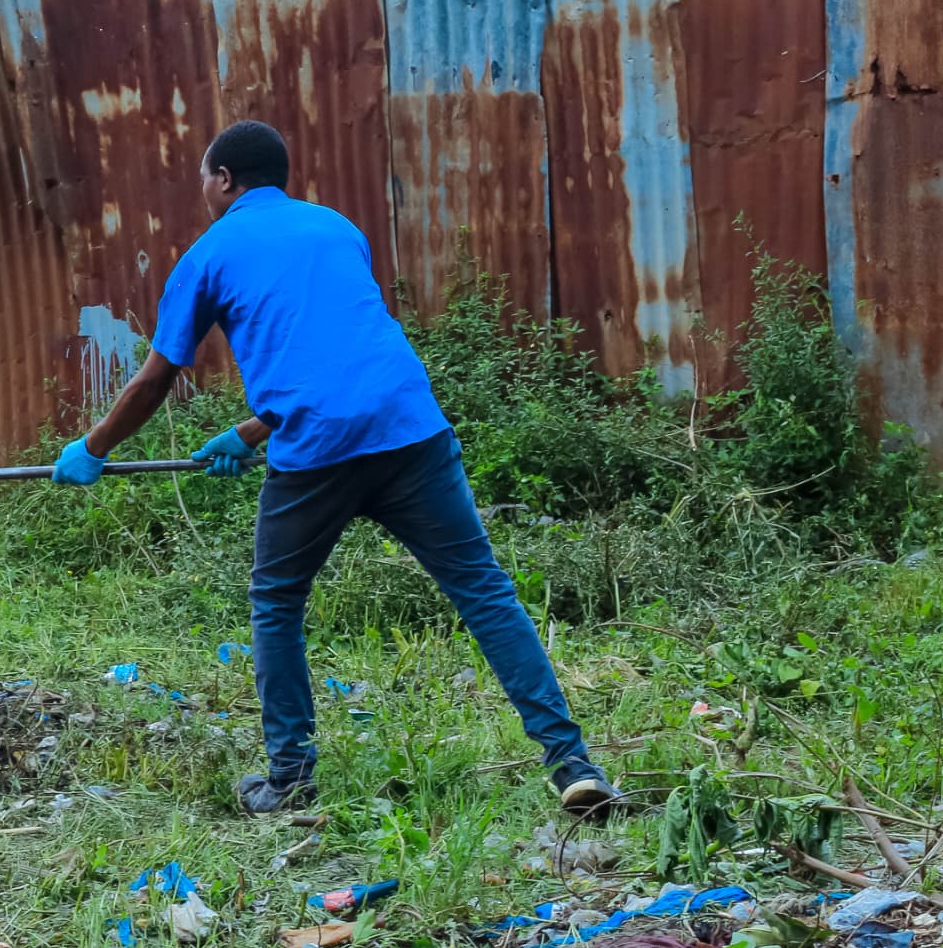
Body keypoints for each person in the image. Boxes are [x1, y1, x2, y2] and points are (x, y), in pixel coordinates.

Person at [52, 119, 619, 818]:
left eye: (204, 176)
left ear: (225, 179)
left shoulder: (208, 254)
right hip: (410, 427)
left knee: (277, 603)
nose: (202, 189)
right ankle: (573, 765)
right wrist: (250, 431)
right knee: (484, 592)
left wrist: (94, 447)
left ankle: (290, 777)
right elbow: (337, 350)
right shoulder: (337, 228)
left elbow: (153, 381)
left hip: (319, 455)